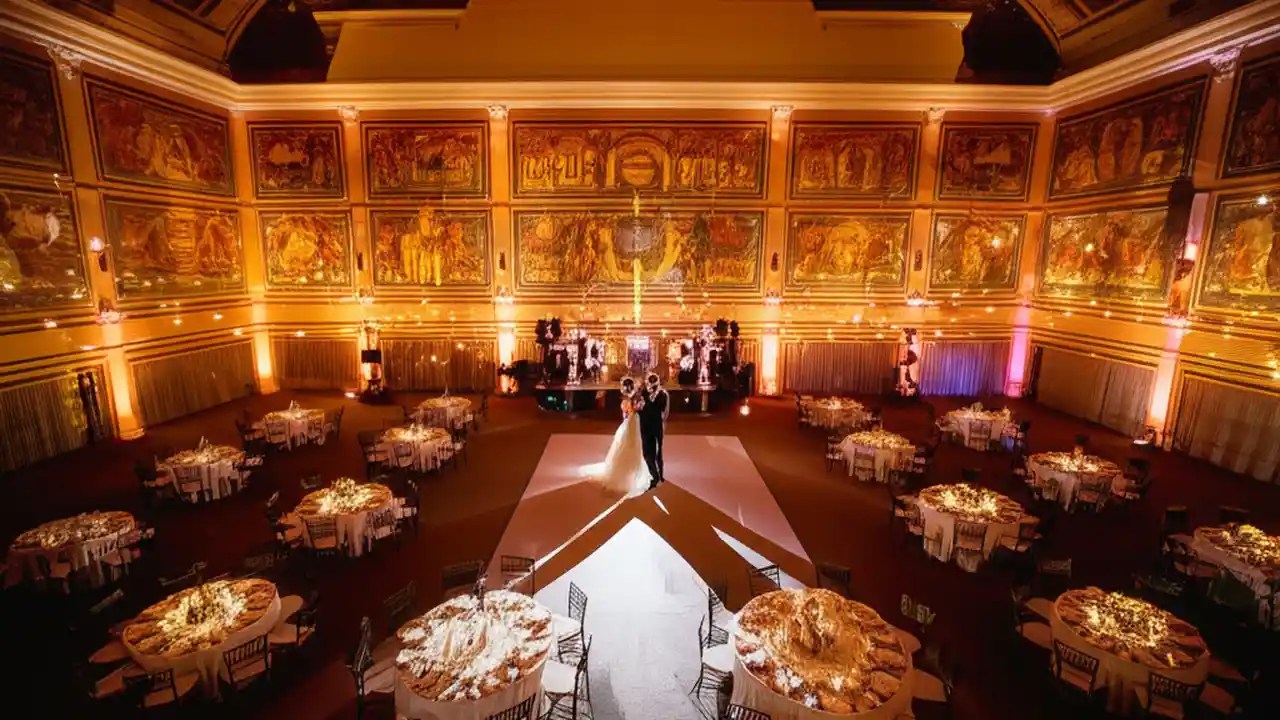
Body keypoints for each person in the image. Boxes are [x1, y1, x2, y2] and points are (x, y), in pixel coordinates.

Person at [589, 377, 649, 498]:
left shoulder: (628, 400)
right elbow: (637, 408)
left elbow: (627, 411)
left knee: (626, 442)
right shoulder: (634, 399)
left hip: (630, 421)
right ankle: (632, 470)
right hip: (633, 421)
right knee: (631, 442)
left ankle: (628, 470)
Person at [638, 372, 669, 489]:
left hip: (655, 426)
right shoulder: (643, 393)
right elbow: (639, 408)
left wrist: (650, 398)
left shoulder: (662, 394)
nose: (650, 385)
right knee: (647, 452)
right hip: (645, 426)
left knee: (657, 452)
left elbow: (662, 409)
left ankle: (659, 475)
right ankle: (653, 475)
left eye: (652, 382)